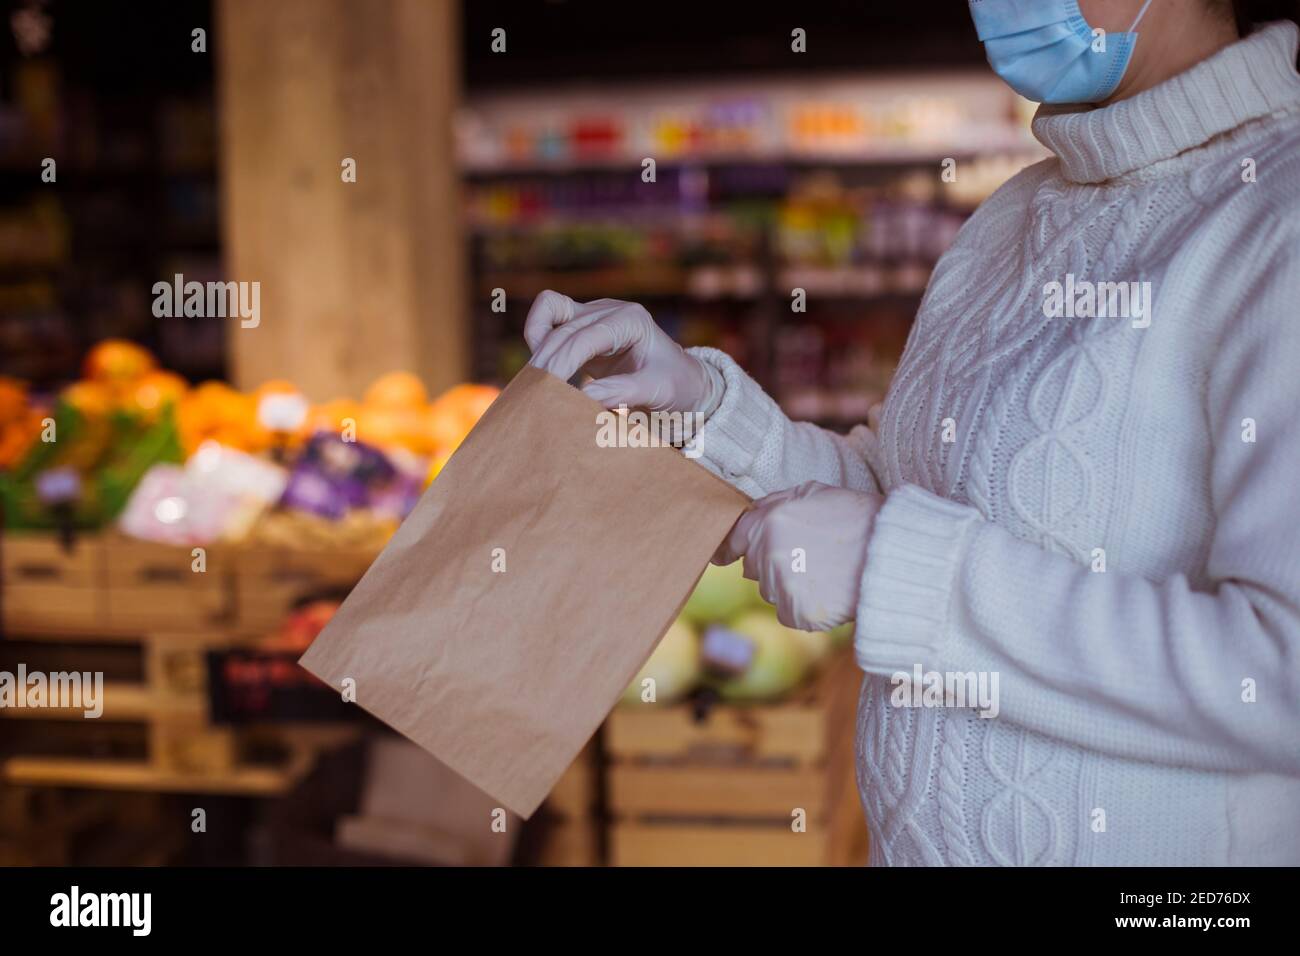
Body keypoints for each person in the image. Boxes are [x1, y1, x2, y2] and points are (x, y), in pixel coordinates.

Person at [525, 0, 1300, 865]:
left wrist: (900, 567)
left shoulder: (1278, 221)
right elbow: (907, 498)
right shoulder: (1010, 219)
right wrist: (701, 405)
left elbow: (1279, 671)